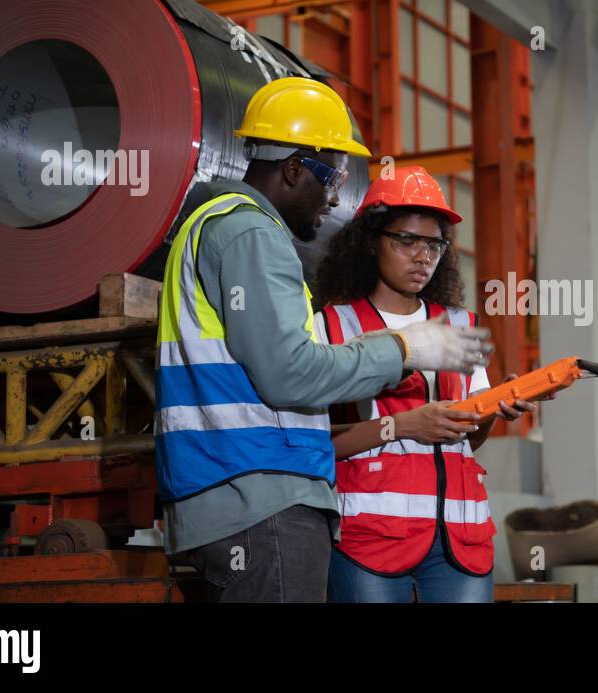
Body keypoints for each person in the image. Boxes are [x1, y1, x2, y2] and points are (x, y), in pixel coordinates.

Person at [154, 79, 493, 603]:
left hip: (235, 486)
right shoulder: (252, 235)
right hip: (259, 490)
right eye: (332, 175)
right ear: (293, 168)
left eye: (434, 244)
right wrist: (404, 349)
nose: (335, 196)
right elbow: (290, 372)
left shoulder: (209, 224)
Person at [314, 166, 549, 603]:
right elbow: (314, 444)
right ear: (370, 241)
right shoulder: (332, 327)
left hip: (460, 542)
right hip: (369, 539)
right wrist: (403, 426)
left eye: (434, 244)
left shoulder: (461, 326)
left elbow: (468, 442)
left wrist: (494, 409)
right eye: (406, 240)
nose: (423, 256)